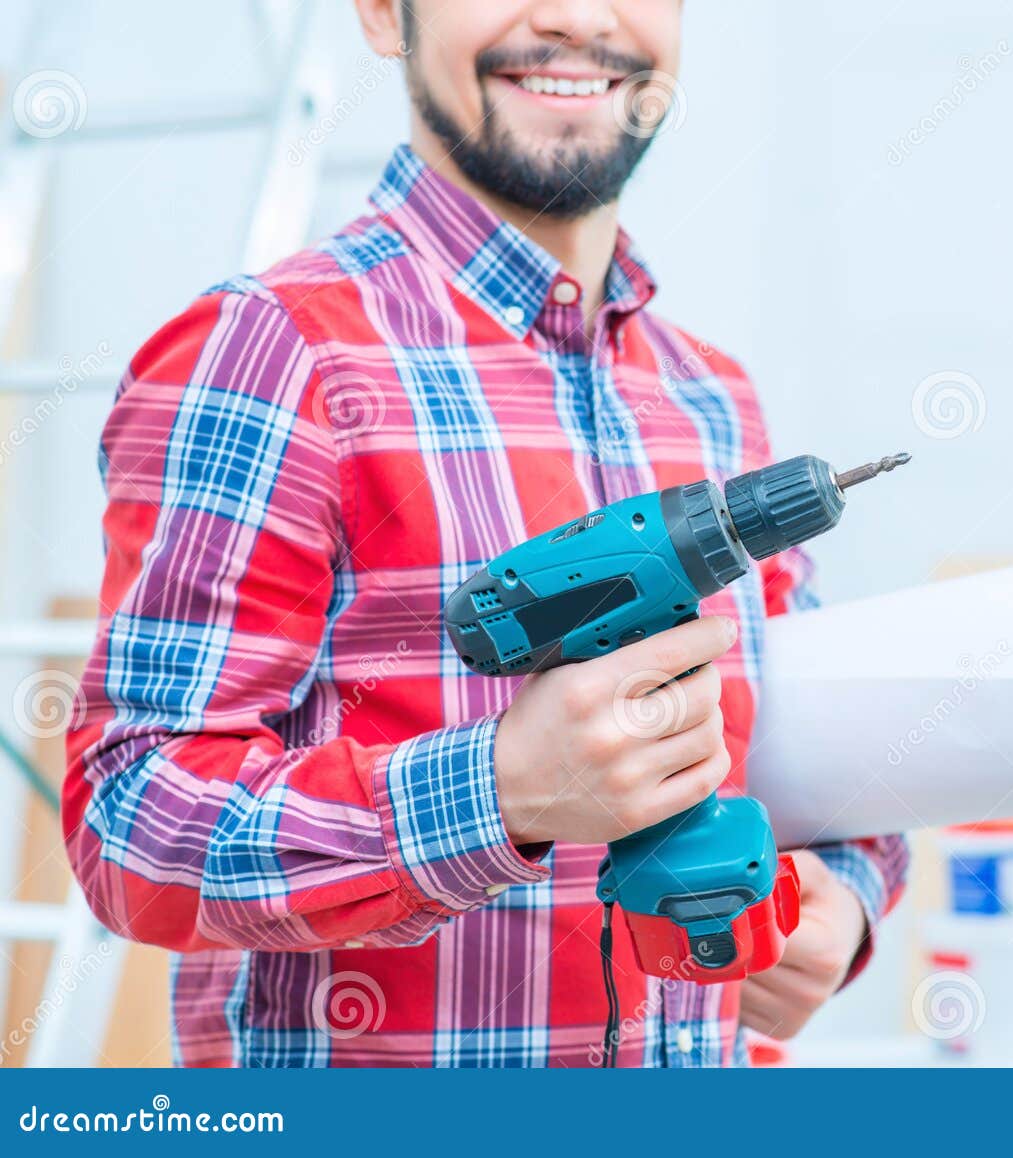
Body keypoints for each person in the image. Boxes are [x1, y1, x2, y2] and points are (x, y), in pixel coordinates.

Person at [63, 0, 908, 1068]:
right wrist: (501, 790)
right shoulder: (273, 358)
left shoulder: (712, 400)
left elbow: (810, 756)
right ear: (383, 13)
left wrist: (845, 898)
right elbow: (127, 832)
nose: (572, 16)